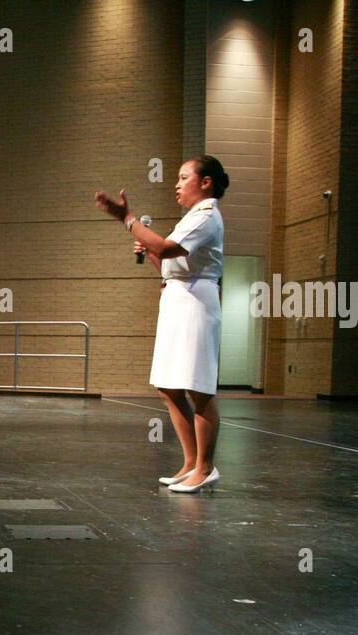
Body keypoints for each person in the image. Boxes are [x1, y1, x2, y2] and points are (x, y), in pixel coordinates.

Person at [96, 154, 228, 493]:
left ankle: (206, 467)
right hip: (178, 301)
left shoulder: (206, 215)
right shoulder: (191, 218)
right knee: (169, 386)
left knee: (198, 388)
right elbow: (170, 263)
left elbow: (168, 248)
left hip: (197, 305)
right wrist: (153, 252)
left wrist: (126, 218)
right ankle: (190, 462)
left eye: (184, 177)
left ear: (206, 182)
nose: (177, 184)